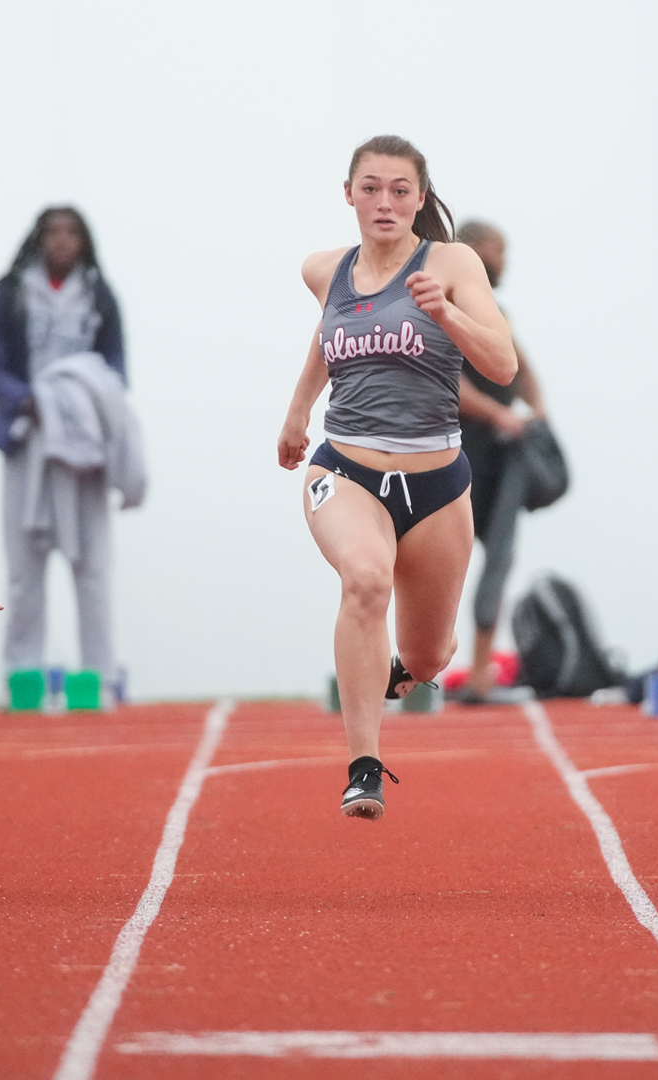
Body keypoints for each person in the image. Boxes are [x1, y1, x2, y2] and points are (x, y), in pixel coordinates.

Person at [277, 136, 515, 820]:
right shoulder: (325, 269)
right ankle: (364, 766)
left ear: (420, 197)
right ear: (348, 193)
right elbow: (327, 336)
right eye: (372, 187)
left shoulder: (452, 262)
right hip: (347, 469)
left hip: (437, 482)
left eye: (400, 190)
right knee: (366, 580)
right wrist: (297, 414)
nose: (385, 202)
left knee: (430, 656)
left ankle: (396, 670)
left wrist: (446, 312)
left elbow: (501, 365)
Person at [0, 207, 131, 695]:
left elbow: (117, 368)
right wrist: (29, 400)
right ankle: (21, 673)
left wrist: (81, 401)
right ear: (38, 239)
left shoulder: (100, 295)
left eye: (72, 233)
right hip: (29, 438)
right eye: (53, 232)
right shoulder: (12, 292)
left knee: (92, 561)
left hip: (84, 446)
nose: (62, 241)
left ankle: (101, 674)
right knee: (25, 561)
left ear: (85, 241)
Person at [449, 219, 549, 703]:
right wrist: (501, 415)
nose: (505, 260)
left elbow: (519, 363)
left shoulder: (497, 311)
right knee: (440, 559)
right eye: (499, 250)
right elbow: (450, 382)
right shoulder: (446, 305)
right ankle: (418, 665)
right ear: (473, 251)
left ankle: (479, 675)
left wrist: (538, 409)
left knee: (500, 557)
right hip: (455, 451)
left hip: (501, 458)